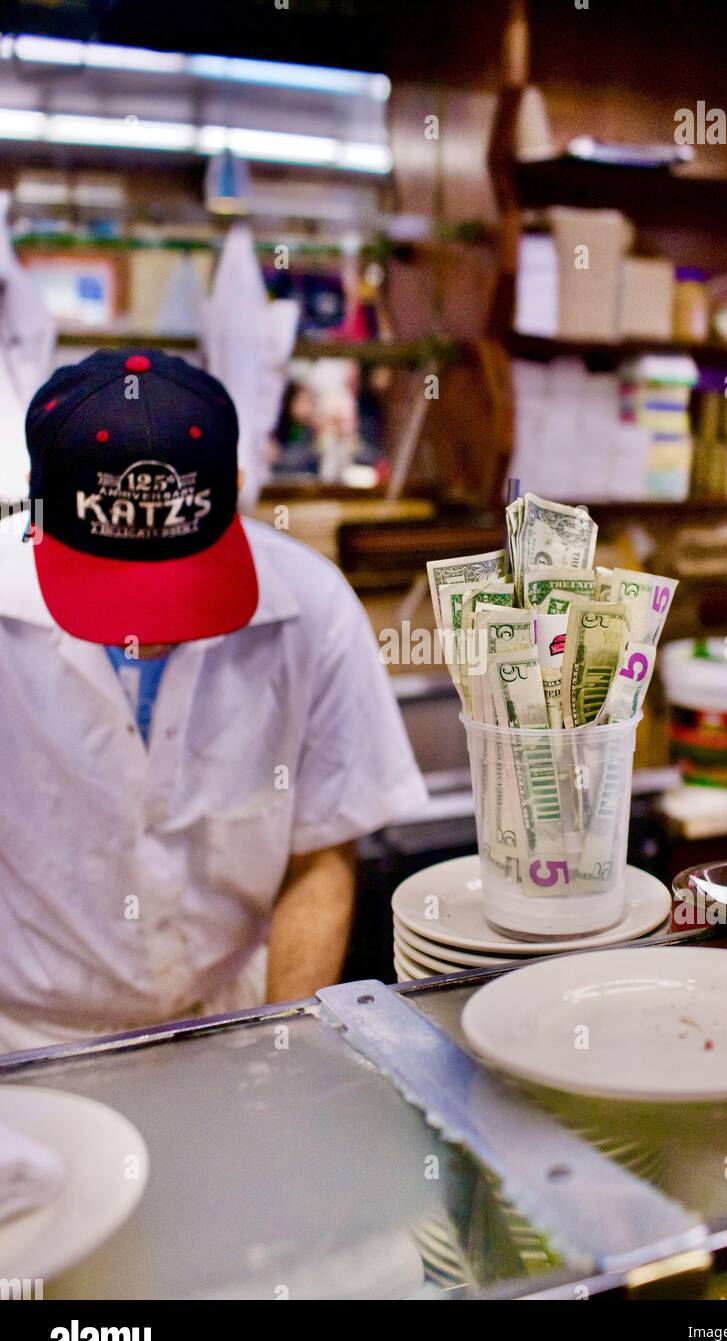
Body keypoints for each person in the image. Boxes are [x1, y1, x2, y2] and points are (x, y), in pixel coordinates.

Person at [0, 348, 427, 1053]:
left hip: (237, 1023)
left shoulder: (313, 609)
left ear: (235, 487)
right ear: (32, 500)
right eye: (112, 590)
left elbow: (321, 856)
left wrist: (286, 1052)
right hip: (23, 1042)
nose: (148, 631)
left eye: (175, 587)